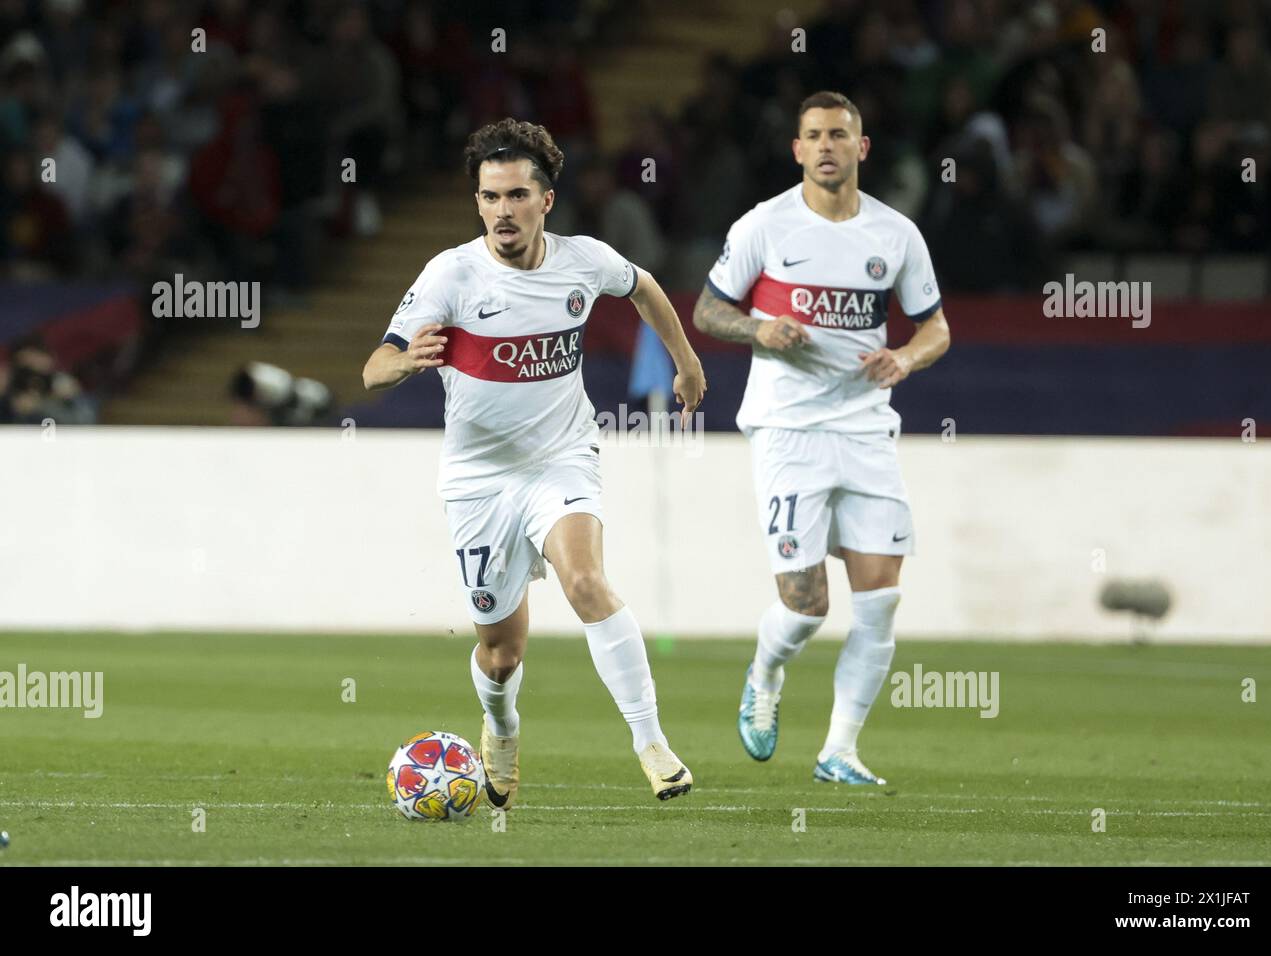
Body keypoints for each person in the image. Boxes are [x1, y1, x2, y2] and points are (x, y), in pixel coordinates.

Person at [361, 118, 707, 807]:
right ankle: (502, 726)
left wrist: (687, 359)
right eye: (489, 197)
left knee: (585, 581)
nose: (501, 211)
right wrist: (406, 361)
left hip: (562, 457)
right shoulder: (450, 274)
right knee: (502, 650)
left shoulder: (582, 260)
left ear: (546, 200)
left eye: (516, 195)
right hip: (478, 479)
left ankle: (651, 742)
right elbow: (372, 369)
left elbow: (643, 286)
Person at [693, 91, 951, 785]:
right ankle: (765, 672)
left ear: (861, 148)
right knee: (807, 605)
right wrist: (758, 329)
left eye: (840, 133)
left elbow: (936, 327)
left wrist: (904, 357)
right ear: (798, 150)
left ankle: (839, 749)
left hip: (866, 428)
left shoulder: (895, 234)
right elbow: (707, 308)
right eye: (814, 135)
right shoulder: (766, 226)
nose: (827, 145)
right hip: (788, 430)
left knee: (881, 598)